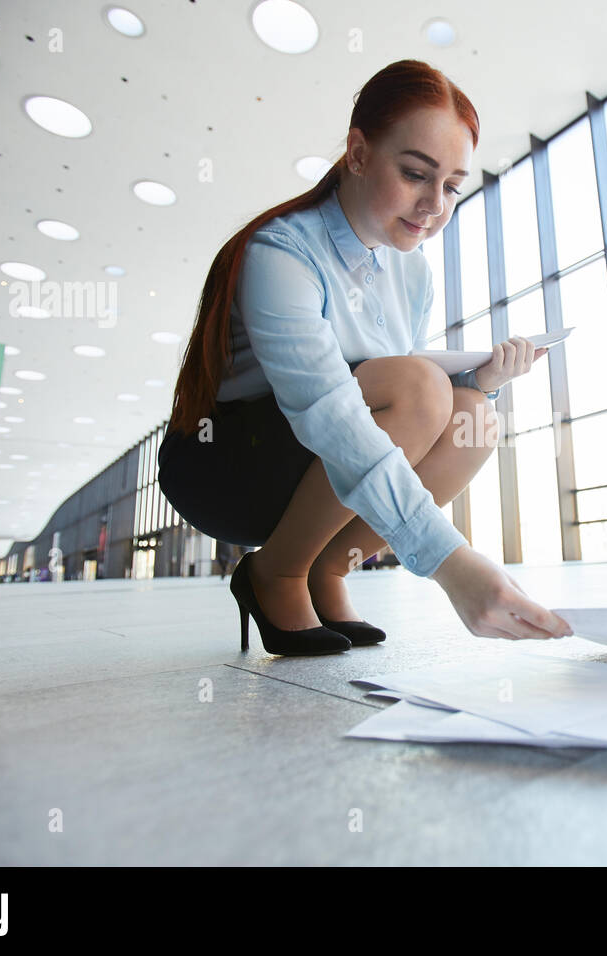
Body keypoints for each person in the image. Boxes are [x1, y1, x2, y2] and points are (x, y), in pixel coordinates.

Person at [157, 59, 573, 656]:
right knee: (422, 388)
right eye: (414, 174)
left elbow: (402, 408)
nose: (434, 204)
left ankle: (326, 568)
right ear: (356, 152)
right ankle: (274, 572)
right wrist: (450, 563)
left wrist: (479, 382)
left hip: (311, 464)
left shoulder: (412, 271)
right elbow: (332, 412)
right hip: (225, 463)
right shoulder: (282, 251)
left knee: (473, 418)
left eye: (452, 186)